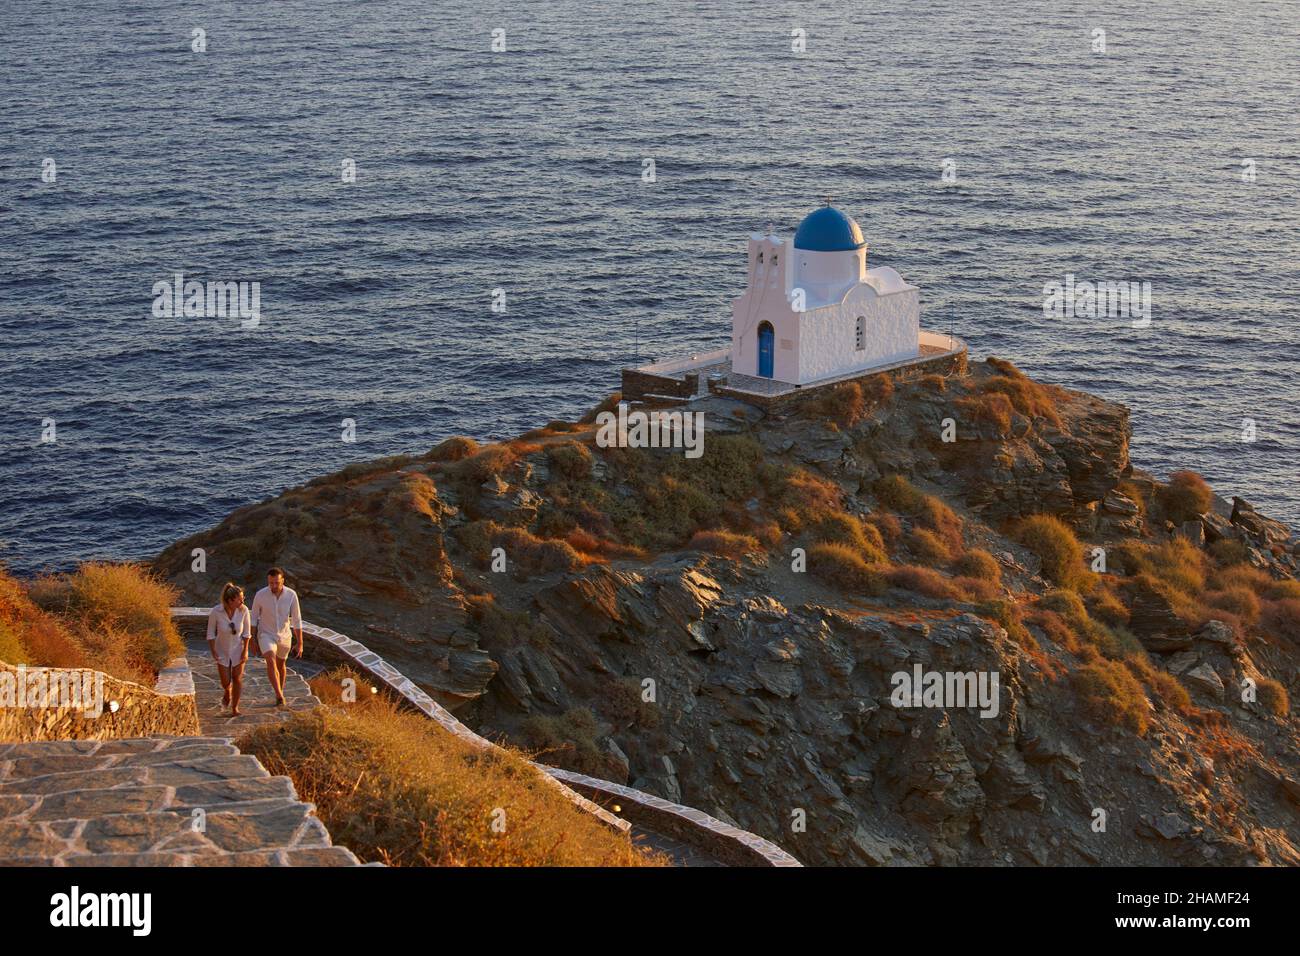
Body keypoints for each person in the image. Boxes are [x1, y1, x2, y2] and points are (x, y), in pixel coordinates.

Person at [250, 566, 303, 708]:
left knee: (281, 666)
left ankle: (279, 692)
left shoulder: (291, 595)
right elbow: (253, 618)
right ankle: (280, 696)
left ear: (283, 581)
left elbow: (297, 619)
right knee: (270, 659)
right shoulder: (260, 595)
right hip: (265, 634)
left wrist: (300, 643)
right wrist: (253, 640)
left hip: (285, 635)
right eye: (271, 583)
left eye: (276, 583)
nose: (273, 586)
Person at [206, 583, 251, 716]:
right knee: (226, 682)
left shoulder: (244, 611)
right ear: (230, 600)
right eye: (239, 599)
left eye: (243, 598)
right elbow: (210, 633)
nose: (242, 601)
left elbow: (247, 633)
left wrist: (245, 651)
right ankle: (227, 691)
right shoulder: (216, 612)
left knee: (237, 678)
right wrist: (213, 650)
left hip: (238, 648)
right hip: (222, 650)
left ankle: (235, 707)